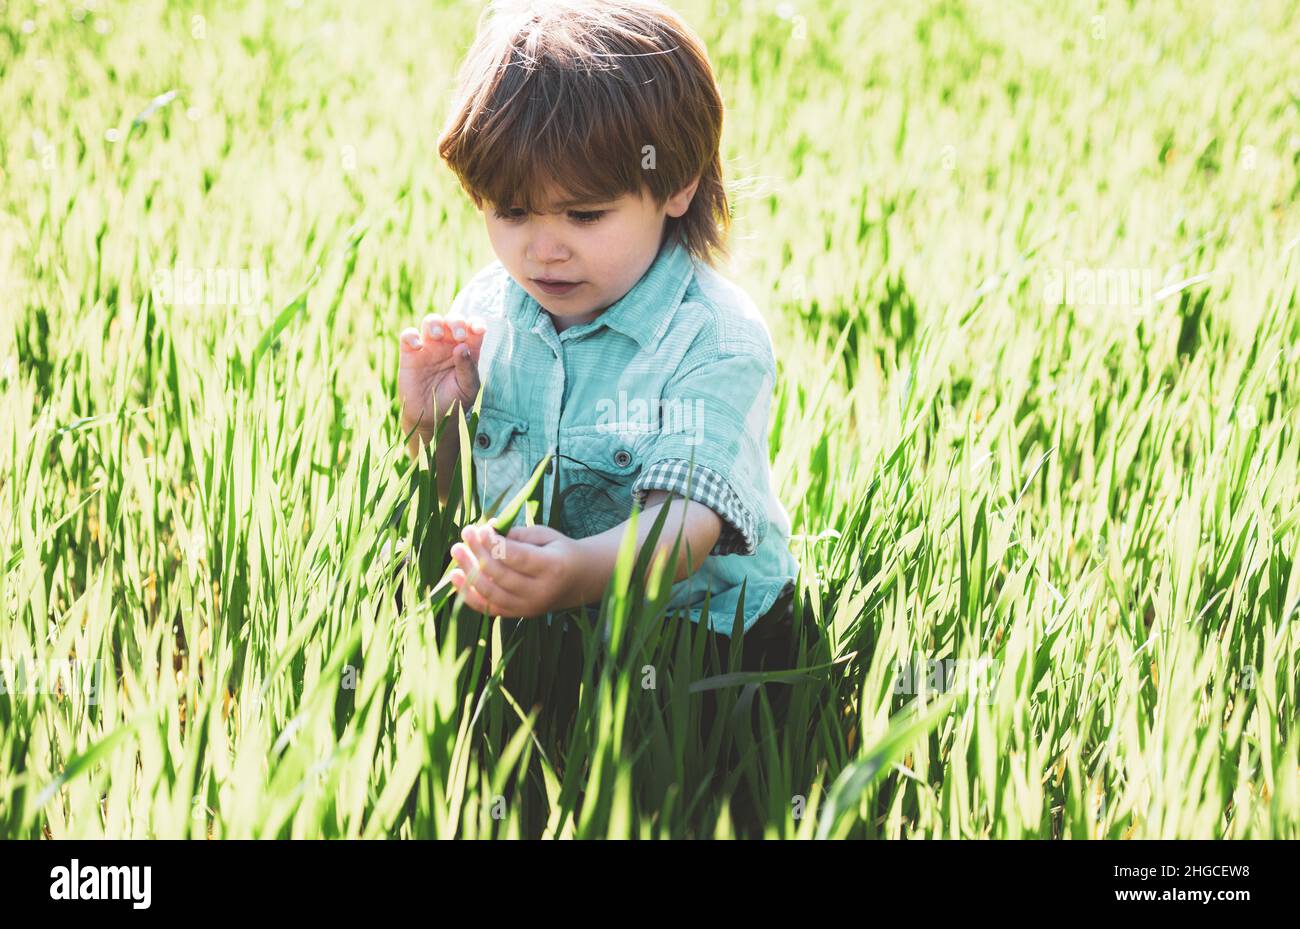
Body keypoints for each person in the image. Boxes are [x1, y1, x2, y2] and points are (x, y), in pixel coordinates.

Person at [396, 0, 820, 725]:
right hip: (554, 621)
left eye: (584, 215)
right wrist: (432, 424)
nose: (544, 248)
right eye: (512, 212)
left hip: (711, 640)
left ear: (677, 184)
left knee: (671, 770)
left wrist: (571, 574)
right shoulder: (490, 309)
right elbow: (452, 496)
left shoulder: (713, 340)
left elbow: (685, 529)